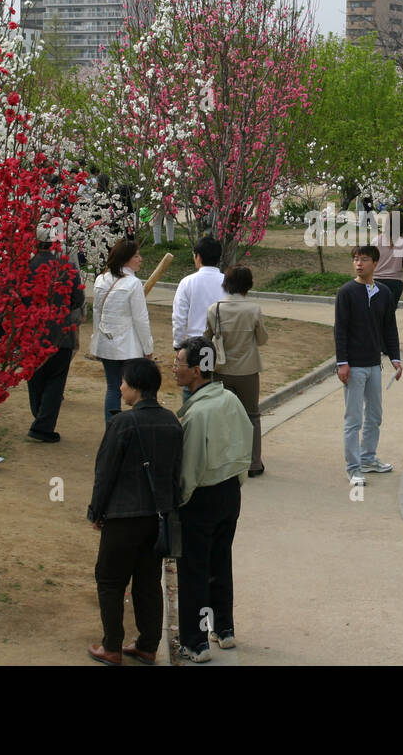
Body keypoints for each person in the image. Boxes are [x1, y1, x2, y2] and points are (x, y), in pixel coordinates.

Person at [86, 357, 183, 665]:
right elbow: (175, 472)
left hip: (123, 516)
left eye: (125, 381)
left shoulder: (122, 423)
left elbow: (105, 472)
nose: (121, 386)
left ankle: (111, 646)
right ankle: (147, 645)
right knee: (147, 582)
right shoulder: (172, 421)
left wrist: (96, 512)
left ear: (137, 387)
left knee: (111, 580)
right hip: (158, 518)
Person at [172, 336, 253, 663]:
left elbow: (188, 471)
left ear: (195, 371)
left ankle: (195, 641)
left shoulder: (197, 415)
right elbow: (246, 438)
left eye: (178, 363)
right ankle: (224, 628)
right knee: (220, 559)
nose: (174, 368)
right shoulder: (230, 400)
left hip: (201, 497)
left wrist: (180, 502)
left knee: (193, 568)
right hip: (230, 492)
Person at [334, 246, 402, 487]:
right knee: (354, 419)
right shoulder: (346, 292)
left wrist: (395, 357)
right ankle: (353, 469)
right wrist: (342, 363)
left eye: (364, 259)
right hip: (353, 366)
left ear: (375, 263)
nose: (359, 263)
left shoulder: (384, 293)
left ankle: (368, 459)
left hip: (375, 364)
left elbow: (389, 328)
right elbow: (340, 329)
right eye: (355, 259)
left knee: (374, 415)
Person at [26, 224, 85, 445]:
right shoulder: (65, 267)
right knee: (55, 379)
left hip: (30, 333)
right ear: (54, 242)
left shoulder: (25, 267)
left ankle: (39, 416)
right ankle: (42, 426)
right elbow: (77, 300)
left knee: (35, 377)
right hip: (60, 333)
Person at [208, 266, 269, 477]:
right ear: (249, 284)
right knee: (252, 415)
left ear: (226, 283)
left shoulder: (214, 309)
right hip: (248, 370)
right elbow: (262, 339)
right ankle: (253, 463)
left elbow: (206, 339)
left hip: (221, 370)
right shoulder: (253, 309)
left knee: (223, 415)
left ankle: (224, 461)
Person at [89, 239, 154, 425]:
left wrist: (96, 338)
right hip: (129, 345)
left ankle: (112, 426)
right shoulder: (133, 284)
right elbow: (140, 319)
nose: (140, 259)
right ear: (126, 259)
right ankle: (137, 425)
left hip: (106, 342)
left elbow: (97, 312)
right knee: (137, 388)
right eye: (136, 256)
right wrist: (147, 347)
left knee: (113, 387)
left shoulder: (101, 279)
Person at [171, 236, 228, 351]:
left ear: (198, 257)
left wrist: (178, 344)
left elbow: (179, 317)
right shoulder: (228, 282)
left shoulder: (187, 282)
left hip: (195, 343)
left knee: (198, 369)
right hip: (223, 343)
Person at [372, 208, 403, 310]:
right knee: (389, 314)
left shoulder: (376, 240)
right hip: (395, 282)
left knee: (374, 312)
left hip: (375, 280)